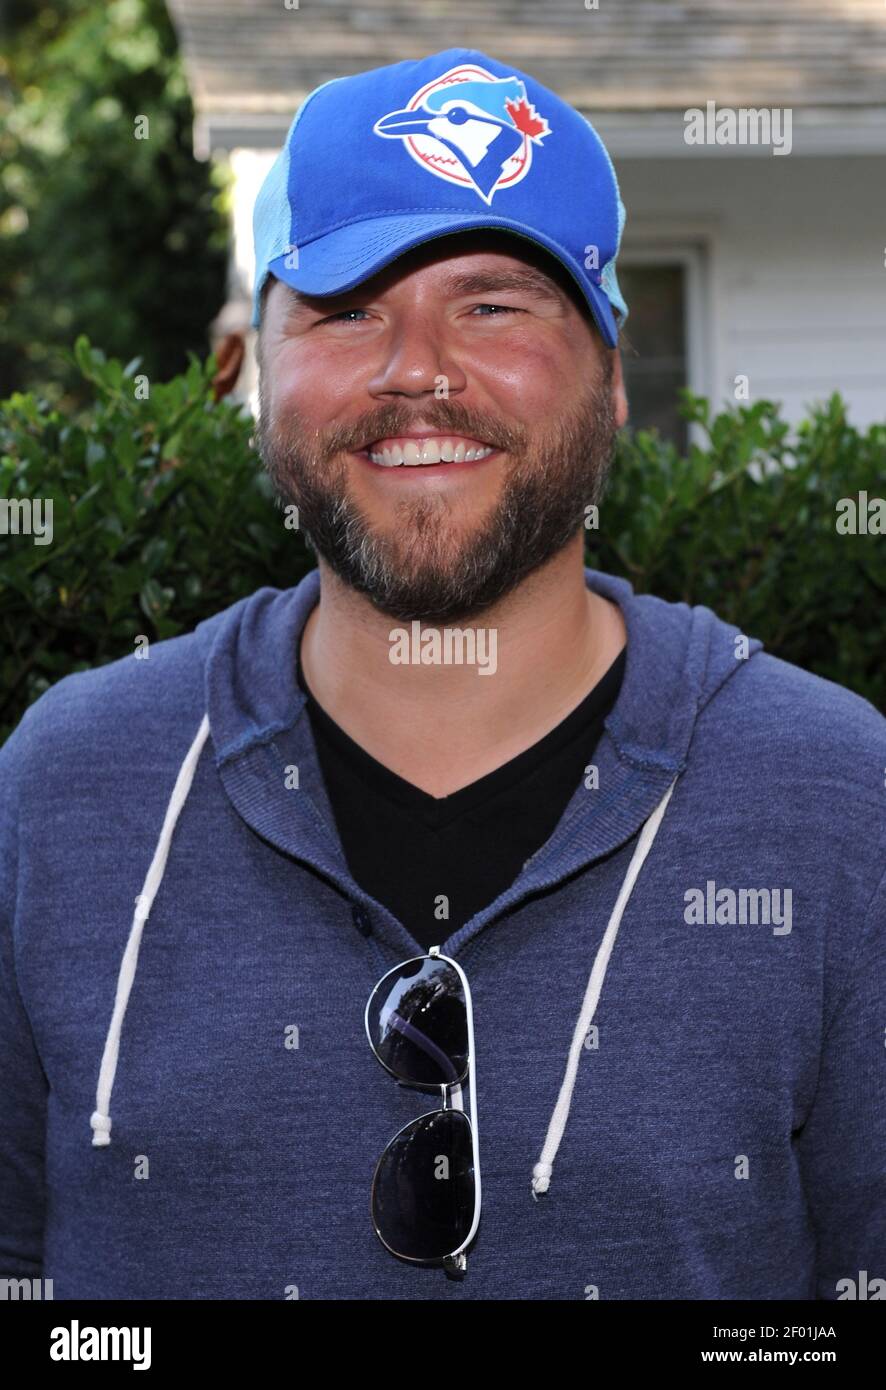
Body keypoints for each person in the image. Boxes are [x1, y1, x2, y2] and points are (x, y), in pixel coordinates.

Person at [1, 47, 883, 1301]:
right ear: (257, 371)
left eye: (491, 303)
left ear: (614, 378)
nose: (415, 368)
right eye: (345, 307)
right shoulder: (65, 788)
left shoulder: (839, 801)